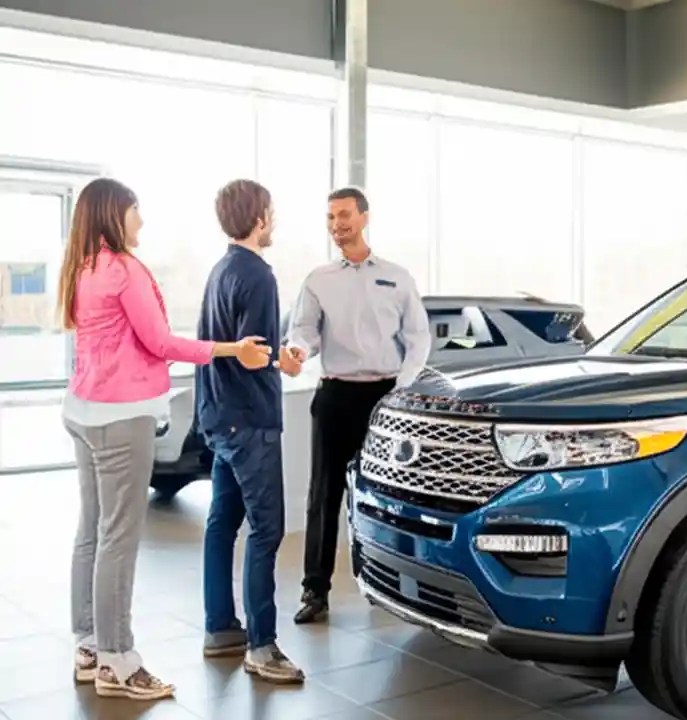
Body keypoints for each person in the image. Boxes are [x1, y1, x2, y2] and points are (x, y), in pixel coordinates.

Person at [58, 177, 270, 701]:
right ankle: (119, 660)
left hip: (83, 410)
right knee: (119, 536)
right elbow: (160, 342)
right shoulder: (124, 269)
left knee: (92, 530)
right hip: (120, 416)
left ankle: (88, 646)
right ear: (114, 214)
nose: (141, 220)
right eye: (135, 210)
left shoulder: (82, 267)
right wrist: (231, 349)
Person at [285, 187, 431, 624]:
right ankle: (315, 591)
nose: (337, 224)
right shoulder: (318, 280)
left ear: (364, 217)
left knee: (388, 494)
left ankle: (388, 582)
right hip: (334, 396)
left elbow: (418, 338)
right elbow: (304, 332)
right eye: (330, 217)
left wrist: (401, 389)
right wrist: (295, 350)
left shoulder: (398, 277)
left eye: (344, 215)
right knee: (324, 496)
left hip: (384, 399)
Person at [196, 179, 306, 683]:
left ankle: (221, 628)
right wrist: (282, 363)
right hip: (251, 422)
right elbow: (254, 353)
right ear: (259, 217)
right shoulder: (259, 275)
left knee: (222, 524)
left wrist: (274, 355)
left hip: (218, 417)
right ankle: (262, 646)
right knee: (267, 529)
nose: (274, 220)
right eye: (272, 211)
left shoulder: (220, 271)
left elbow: (238, 346)